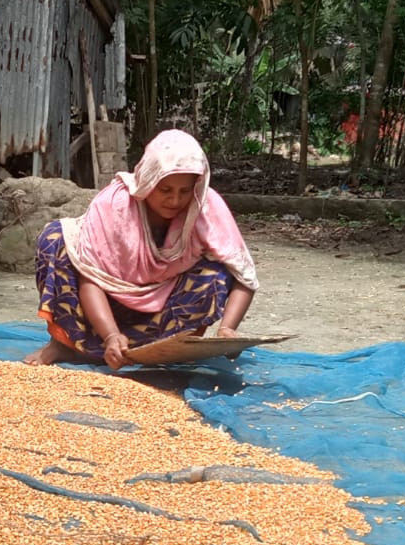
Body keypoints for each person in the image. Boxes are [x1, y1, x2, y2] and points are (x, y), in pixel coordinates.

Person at [23, 129, 258, 369]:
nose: (175, 201)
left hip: (161, 310)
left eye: (184, 191)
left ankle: (165, 349)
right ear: (148, 180)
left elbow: (243, 274)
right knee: (54, 238)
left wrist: (228, 330)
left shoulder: (205, 206)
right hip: (101, 302)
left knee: (216, 272)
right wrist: (111, 335)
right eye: (165, 190)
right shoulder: (114, 204)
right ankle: (65, 345)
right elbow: (89, 277)